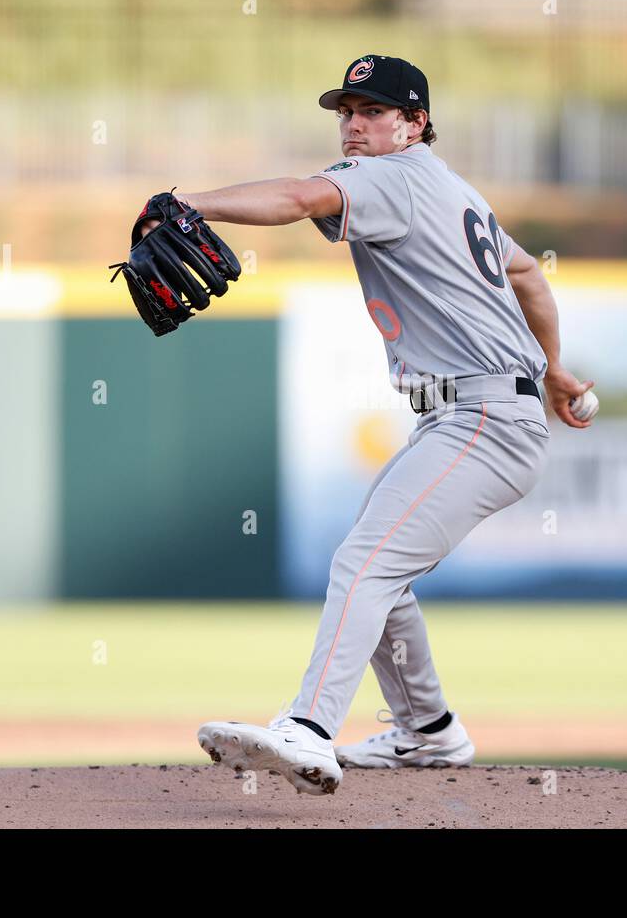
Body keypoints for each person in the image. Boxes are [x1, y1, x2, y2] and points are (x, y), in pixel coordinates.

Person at [171, 54, 594, 795]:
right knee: (378, 570)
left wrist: (190, 203)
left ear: (415, 122)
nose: (354, 125)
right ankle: (428, 731)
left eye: (372, 111)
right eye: (346, 111)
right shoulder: (455, 191)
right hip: (484, 413)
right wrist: (553, 365)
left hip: (483, 417)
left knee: (363, 563)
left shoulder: (395, 176)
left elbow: (302, 196)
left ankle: (307, 729)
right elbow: (527, 274)